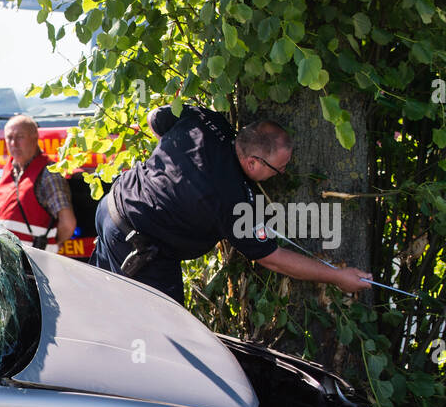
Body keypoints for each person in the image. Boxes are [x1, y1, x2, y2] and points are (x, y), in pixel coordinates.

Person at [92, 104, 372, 304]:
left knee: (101, 309)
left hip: (111, 208)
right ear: (253, 162)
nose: (283, 173)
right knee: (162, 341)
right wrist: (337, 277)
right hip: (140, 249)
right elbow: (273, 258)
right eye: (280, 168)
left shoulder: (205, 120)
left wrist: (171, 164)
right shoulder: (234, 199)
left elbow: (156, 118)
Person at [0, 114, 76, 250]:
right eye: (9, 138)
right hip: (9, 260)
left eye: (20, 137)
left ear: (35, 137)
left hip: (36, 265)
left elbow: (68, 224)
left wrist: (49, 245)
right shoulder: (10, 169)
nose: (13, 144)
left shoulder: (49, 174)